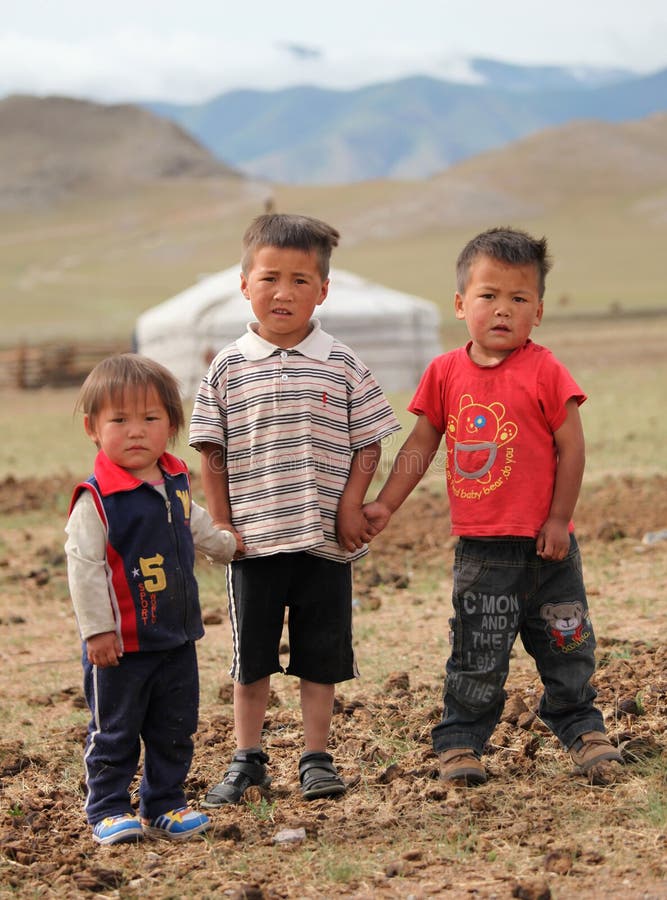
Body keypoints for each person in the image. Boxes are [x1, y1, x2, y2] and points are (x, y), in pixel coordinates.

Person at [363, 226, 623, 785]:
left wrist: (558, 518)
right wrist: (384, 505)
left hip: (548, 548)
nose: (502, 309)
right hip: (483, 553)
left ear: (539, 311)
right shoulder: (445, 373)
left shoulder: (546, 370)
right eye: (488, 296)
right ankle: (460, 741)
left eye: (519, 298)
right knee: (477, 654)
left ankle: (580, 724)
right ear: (461, 304)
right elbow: (420, 445)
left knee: (567, 642)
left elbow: (571, 447)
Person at [188, 213, 401, 805]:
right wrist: (223, 525)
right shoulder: (228, 367)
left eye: (301, 280)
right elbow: (212, 452)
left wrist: (351, 507)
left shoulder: (342, 361)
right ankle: (247, 758)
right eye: (270, 278)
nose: (284, 292)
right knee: (251, 660)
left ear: (324, 290)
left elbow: (370, 441)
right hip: (254, 545)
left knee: (321, 656)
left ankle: (316, 758)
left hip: (324, 543)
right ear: (244, 283)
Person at [65, 354, 239, 845]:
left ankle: (164, 802)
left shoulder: (175, 480)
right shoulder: (97, 499)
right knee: (115, 730)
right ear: (93, 428)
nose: (136, 431)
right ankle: (108, 807)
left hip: (176, 635)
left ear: (172, 425)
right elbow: (83, 568)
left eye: (150, 419)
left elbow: (193, 520)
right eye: (119, 420)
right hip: (120, 645)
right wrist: (97, 631)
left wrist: (223, 544)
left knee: (174, 727)